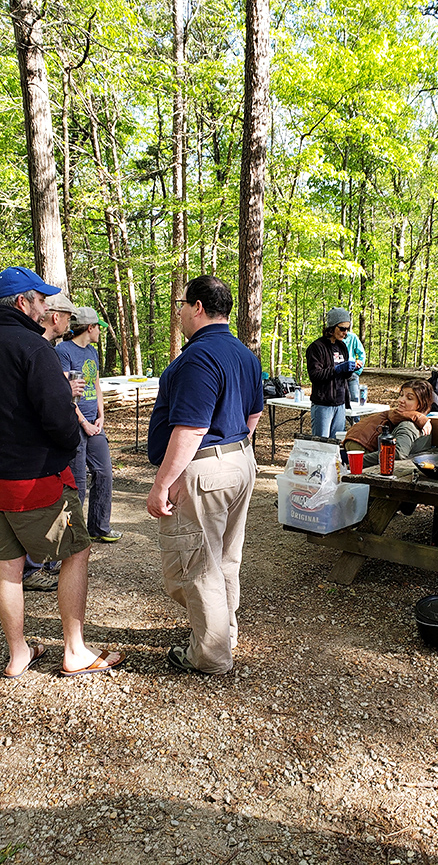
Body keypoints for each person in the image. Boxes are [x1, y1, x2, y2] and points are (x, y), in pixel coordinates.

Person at [0, 266, 124, 678]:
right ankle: (75, 651)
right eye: (42, 300)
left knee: (9, 563)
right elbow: (60, 419)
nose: (47, 309)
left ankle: (18, 653)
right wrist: (63, 447)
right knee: (75, 551)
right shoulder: (34, 349)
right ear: (24, 302)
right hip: (35, 479)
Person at [146, 275, 263, 675]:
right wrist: (233, 453)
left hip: (205, 467)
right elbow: (253, 415)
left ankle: (210, 655)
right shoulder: (244, 354)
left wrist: (163, 483)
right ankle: (222, 632)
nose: (178, 312)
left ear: (197, 307)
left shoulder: (198, 357)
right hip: (239, 460)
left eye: (181, 304)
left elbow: (192, 428)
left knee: (194, 565)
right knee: (225, 557)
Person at [22, 291, 85, 592]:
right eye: (68, 317)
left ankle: (42, 563)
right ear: (56, 317)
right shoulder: (38, 349)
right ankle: (34, 568)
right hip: (38, 456)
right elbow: (43, 405)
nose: (70, 323)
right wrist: (71, 435)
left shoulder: (41, 347)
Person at [55, 308, 122, 543]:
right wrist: (83, 422)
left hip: (94, 423)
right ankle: (71, 536)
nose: (100, 332)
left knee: (104, 473)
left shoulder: (92, 351)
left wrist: (101, 415)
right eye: (99, 328)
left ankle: (99, 527)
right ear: (90, 327)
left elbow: (96, 385)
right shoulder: (63, 351)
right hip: (74, 425)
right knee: (78, 483)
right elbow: (65, 393)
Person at [343, 379, 434, 468]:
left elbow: (398, 453)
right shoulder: (403, 417)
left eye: (409, 398)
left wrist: (356, 462)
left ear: (421, 404)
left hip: (360, 444)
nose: (401, 400)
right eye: (401, 395)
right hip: (360, 443)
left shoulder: (408, 424)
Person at [306, 308, 362, 438]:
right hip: (323, 403)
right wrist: (338, 369)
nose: (345, 333)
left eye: (347, 329)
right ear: (332, 327)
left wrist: (349, 369)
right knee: (322, 443)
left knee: (336, 442)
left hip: (340, 402)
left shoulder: (342, 347)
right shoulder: (316, 347)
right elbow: (315, 375)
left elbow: (344, 376)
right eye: (342, 328)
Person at [344, 328, 366, 422]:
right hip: (338, 374)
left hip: (352, 374)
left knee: (355, 399)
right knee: (340, 401)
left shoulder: (352, 337)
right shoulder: (333, 339)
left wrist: (357, 371)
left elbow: (361, 353)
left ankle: (356, 424)